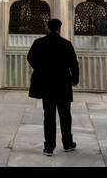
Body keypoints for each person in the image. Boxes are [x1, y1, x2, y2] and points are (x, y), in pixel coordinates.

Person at [27, 17, 80, 155]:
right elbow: (74, 64)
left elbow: (30, 57)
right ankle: (67, 143)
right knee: (65, 115)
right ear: (59, 29)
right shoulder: (66, 44)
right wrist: (75, 79)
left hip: (46, 83)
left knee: (49, 116)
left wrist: (40, 68)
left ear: (48, 28)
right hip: (63, 83)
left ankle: (49, 146)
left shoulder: (39, 43)